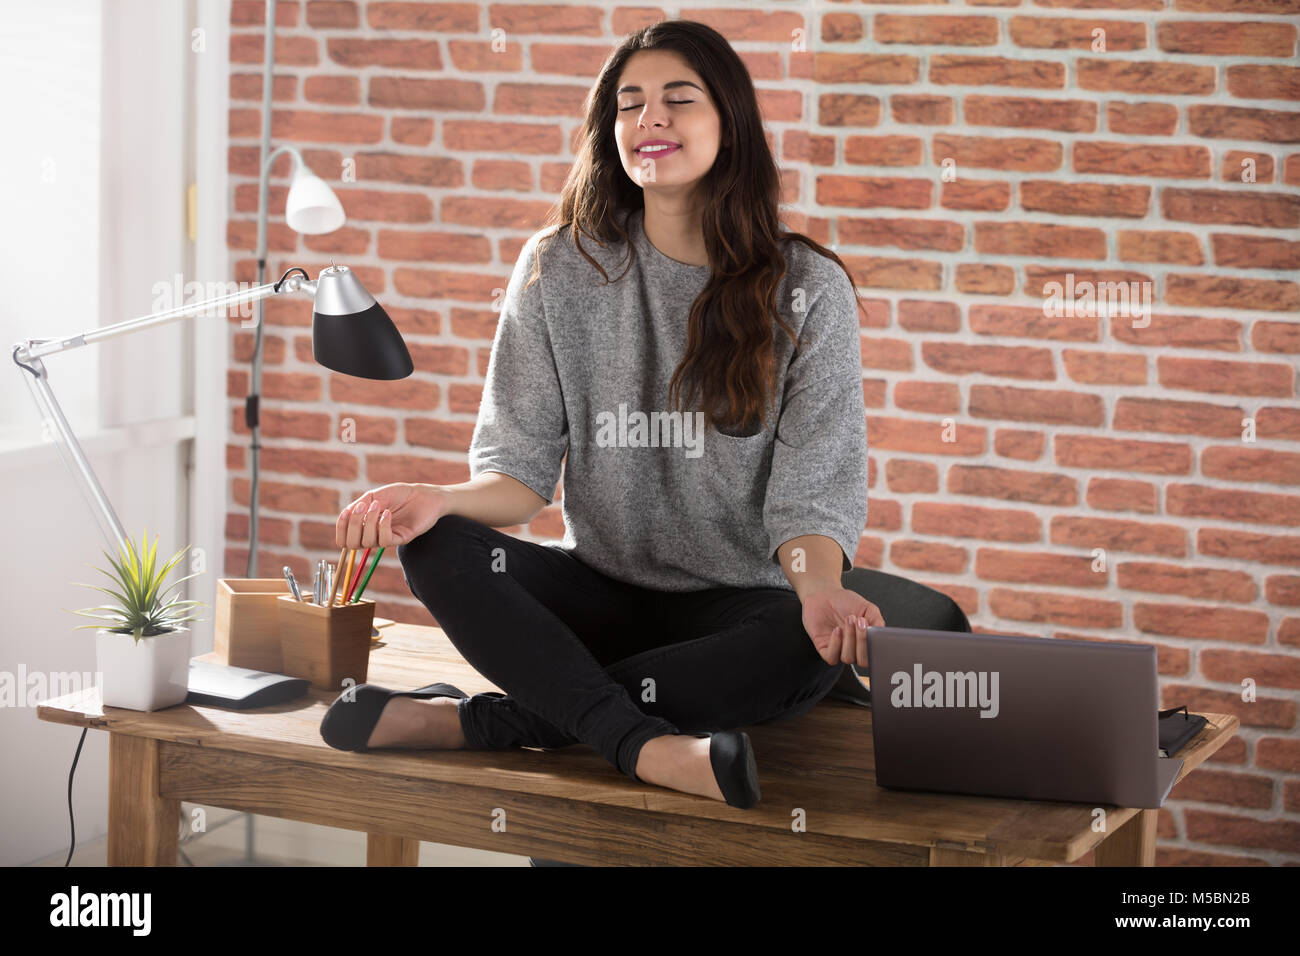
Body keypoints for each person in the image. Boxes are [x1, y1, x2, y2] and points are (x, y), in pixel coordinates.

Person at [319, 20, 884, 809]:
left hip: (733, 614)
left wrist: (820, 586)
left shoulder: (807, 288)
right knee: (439, 544)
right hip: (595, 596)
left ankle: (483, 724)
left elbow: (809, 498)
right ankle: (647, 747)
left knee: (802, 645)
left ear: (730, 123)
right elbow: (517, 476)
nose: (649, 120)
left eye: (677, 100)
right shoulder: (558, 267)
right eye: (630, 104)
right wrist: (438, 499)